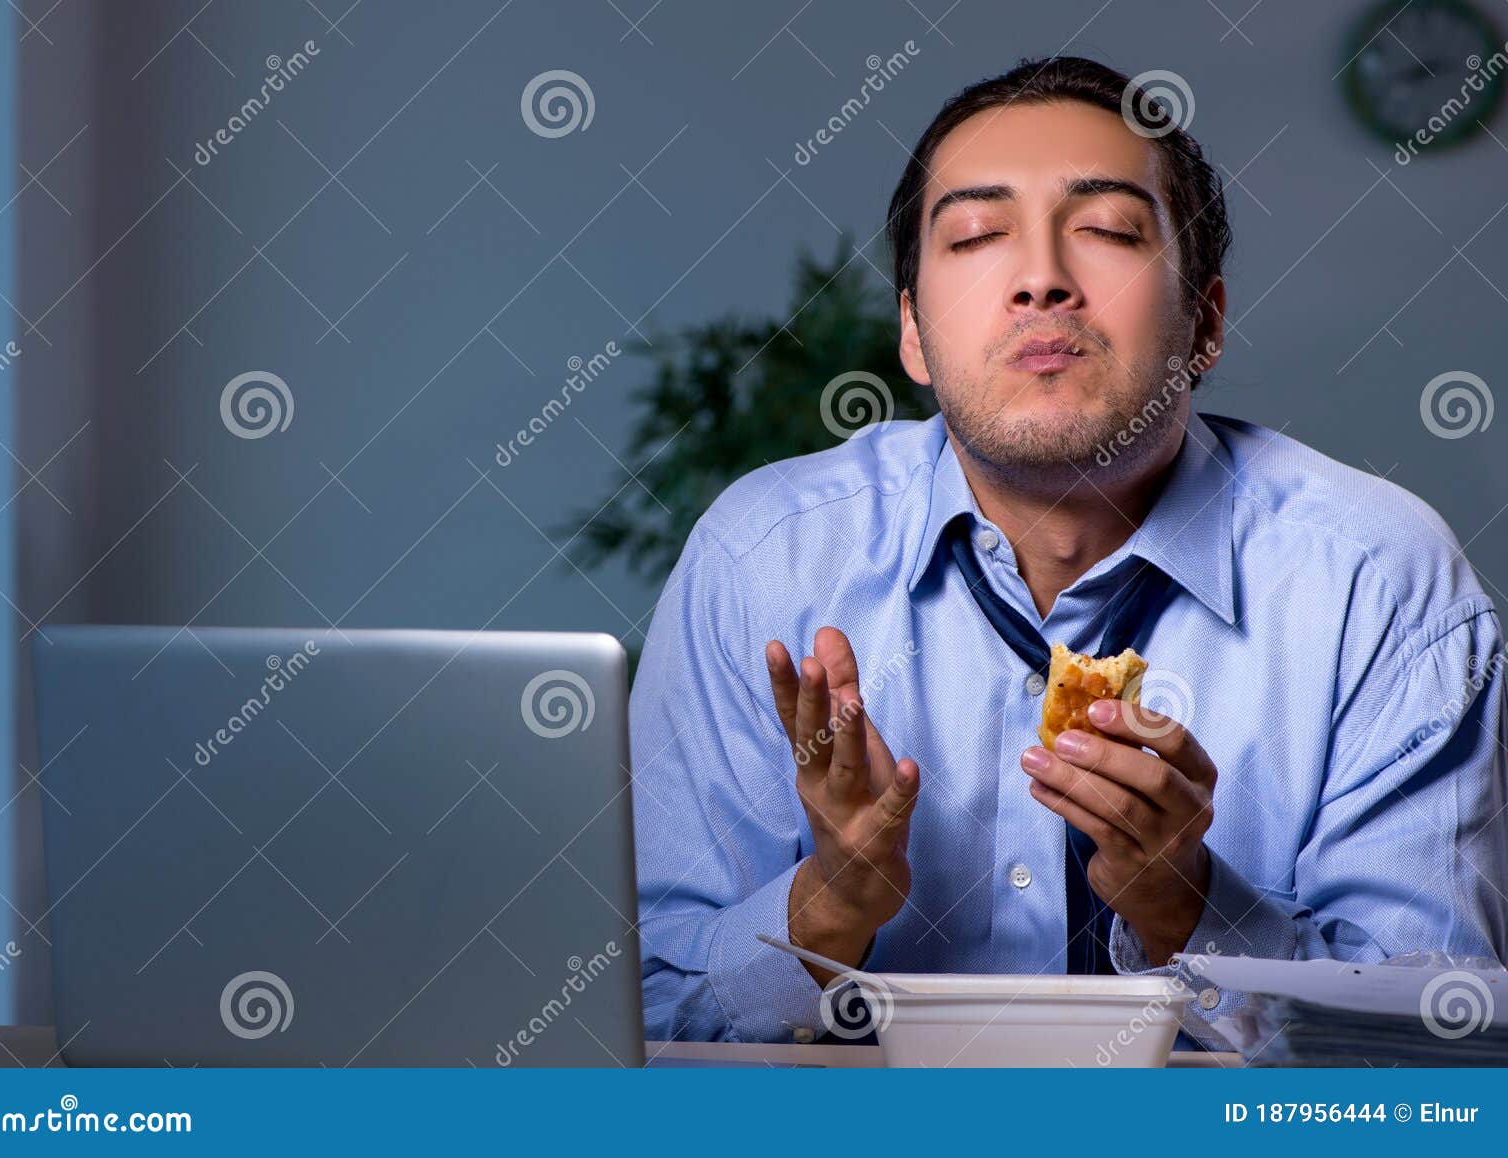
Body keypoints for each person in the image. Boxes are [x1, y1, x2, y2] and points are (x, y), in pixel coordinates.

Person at [629, 56, 1508, 1048]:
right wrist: (826, 904)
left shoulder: (1378, 579)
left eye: (1106, 232)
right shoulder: (761, 561)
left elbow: (1439, 1053)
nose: (1041, 278)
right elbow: (636, 1013)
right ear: (913, 336)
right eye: (972, 235)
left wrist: (1187, 904)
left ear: (1204, 323)